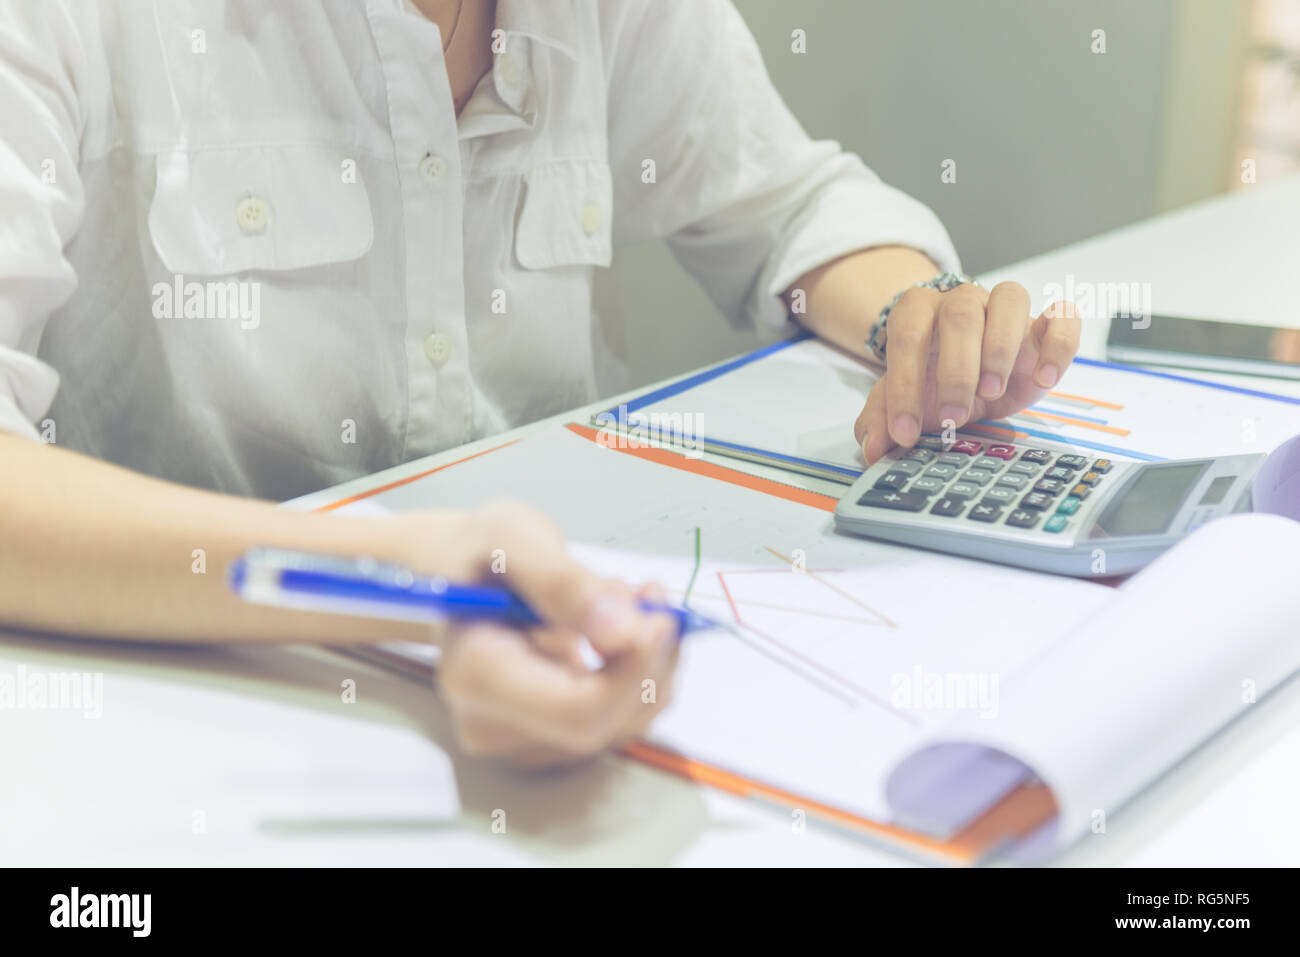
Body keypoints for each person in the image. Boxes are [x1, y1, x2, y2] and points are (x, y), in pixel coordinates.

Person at [0, 0, 1080, 765]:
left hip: (581, 672)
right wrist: (401, 579)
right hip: (191, 706)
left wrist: (910, 319)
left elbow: (786, 203)